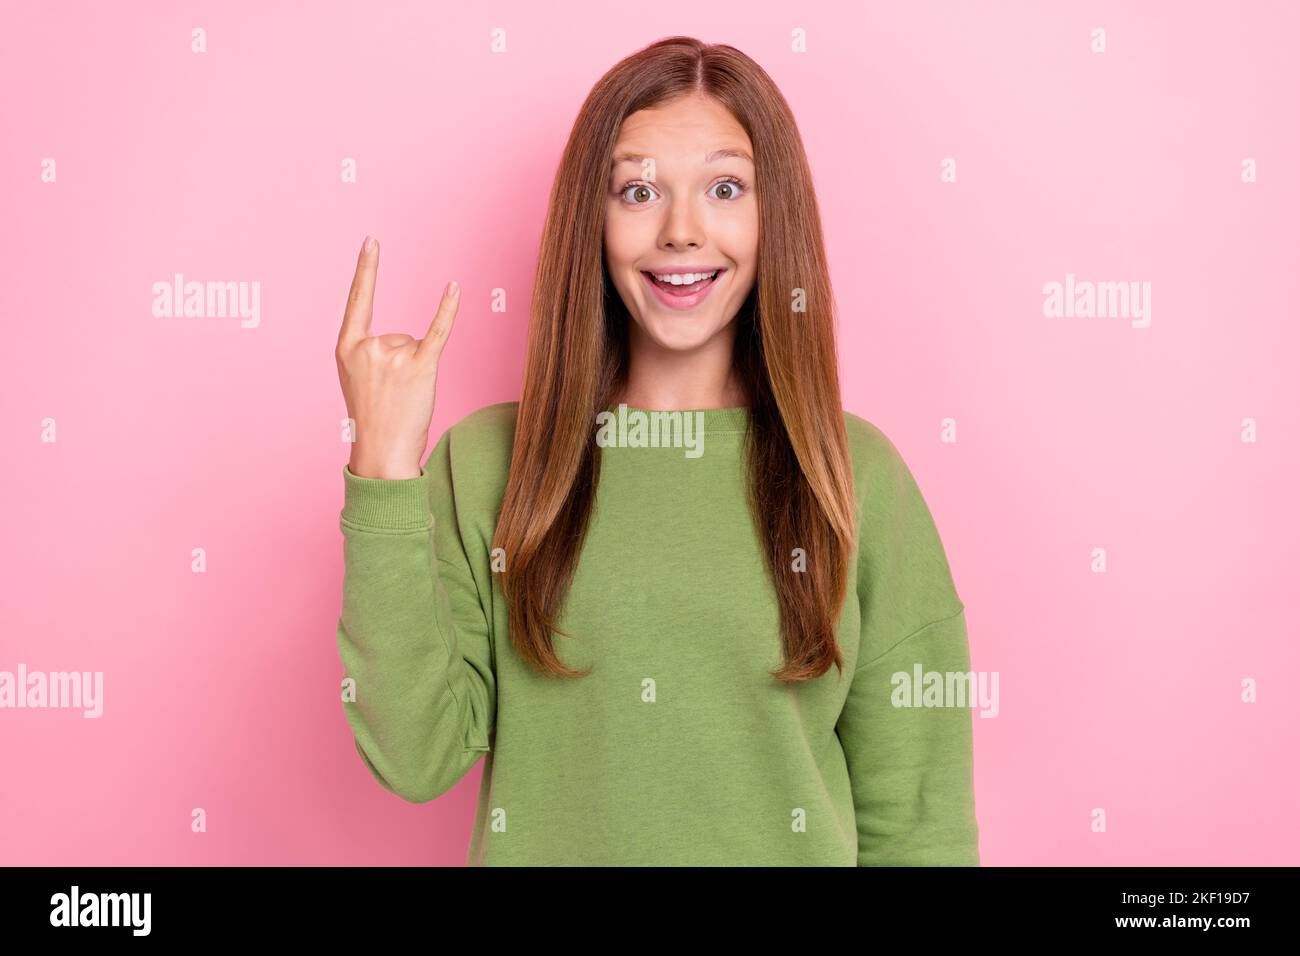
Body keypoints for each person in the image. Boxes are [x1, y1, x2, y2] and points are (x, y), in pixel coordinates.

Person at [333, 36, 979, 866]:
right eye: (638, 191)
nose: (682, 230)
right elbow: (416, 758)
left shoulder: (854, 475)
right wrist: (384, 469)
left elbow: (920, 827)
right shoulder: (485, 464)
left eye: (724, 187)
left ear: (771, 213)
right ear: (591, 223)